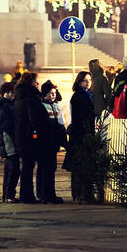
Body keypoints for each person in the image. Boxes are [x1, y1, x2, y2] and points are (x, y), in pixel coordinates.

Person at [13, 71, 51, 203]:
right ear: (31, 83)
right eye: (36, 82)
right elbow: (36, 118)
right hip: (30, 137)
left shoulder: (18, 96)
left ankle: (26, 195)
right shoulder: (31, 97)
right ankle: (28, 196)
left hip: (22, 136)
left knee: (27, 167)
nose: (38, 84)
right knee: (29, 167)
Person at [63, 71, 96, 200]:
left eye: (89, 80)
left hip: (88, 132)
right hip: (80, 134)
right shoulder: (78, 96)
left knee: (87, 165)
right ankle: (80, 194)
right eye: (85, 80)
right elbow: (80, 118)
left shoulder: (90, 95)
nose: (88, 83)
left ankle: (86, 193)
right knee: (79, 166)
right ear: (79, 82)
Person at [36, 80, 66, 204]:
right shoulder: (41, 106)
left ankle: (50, 193)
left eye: (54, 93)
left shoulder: (57, 106)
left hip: (54, 142)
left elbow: (61, 124)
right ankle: (42, 194)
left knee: (51, 168)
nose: (52, 95)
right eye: (50, 93)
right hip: (44, 142)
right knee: (43, 168)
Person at [0, 81, 20, 201]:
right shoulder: (4, 106)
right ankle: (9, 195)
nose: (12, 95)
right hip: (8, 140)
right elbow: (6, 126)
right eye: (11, 92)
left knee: (10, 168)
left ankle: (7, 195)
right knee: (13, 169)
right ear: (5, 93)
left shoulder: (4, 105)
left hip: (7, 140)